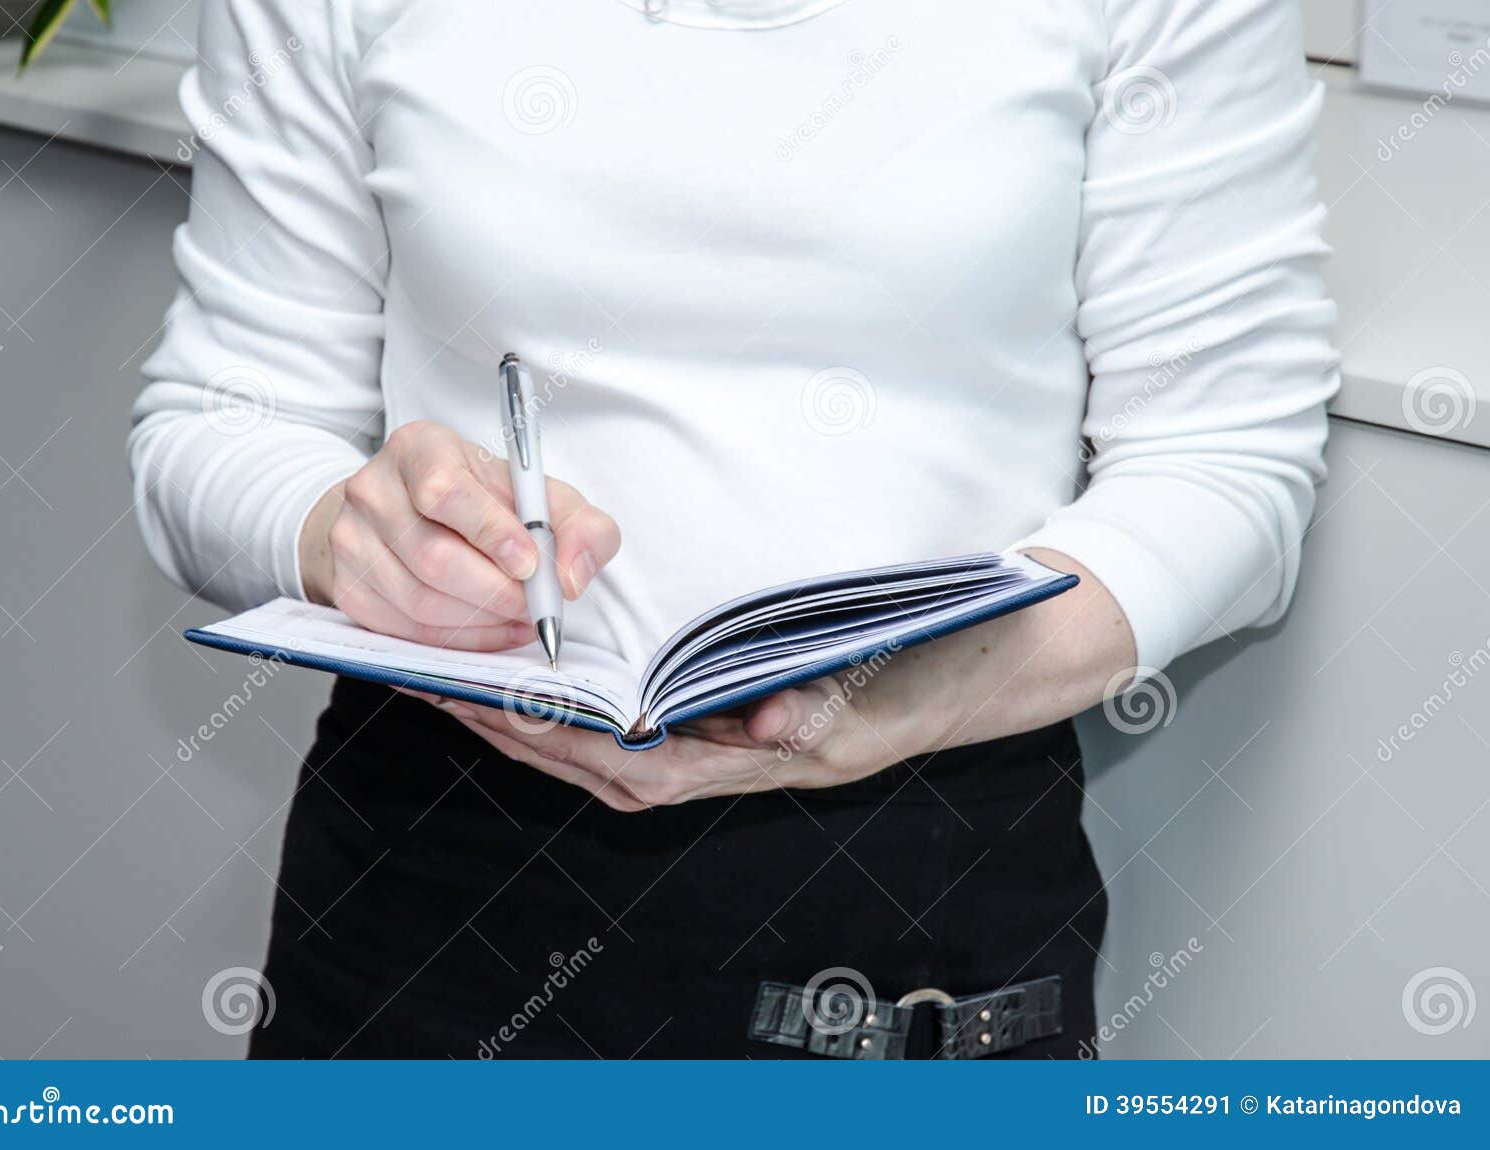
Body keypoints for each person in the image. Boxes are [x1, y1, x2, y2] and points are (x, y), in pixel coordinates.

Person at [129, 0, 1337, 1058]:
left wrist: (917, 695)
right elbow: (216, 420)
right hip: (441, 873)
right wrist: (350, 535)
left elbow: (1225, 456)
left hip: (922, 874)